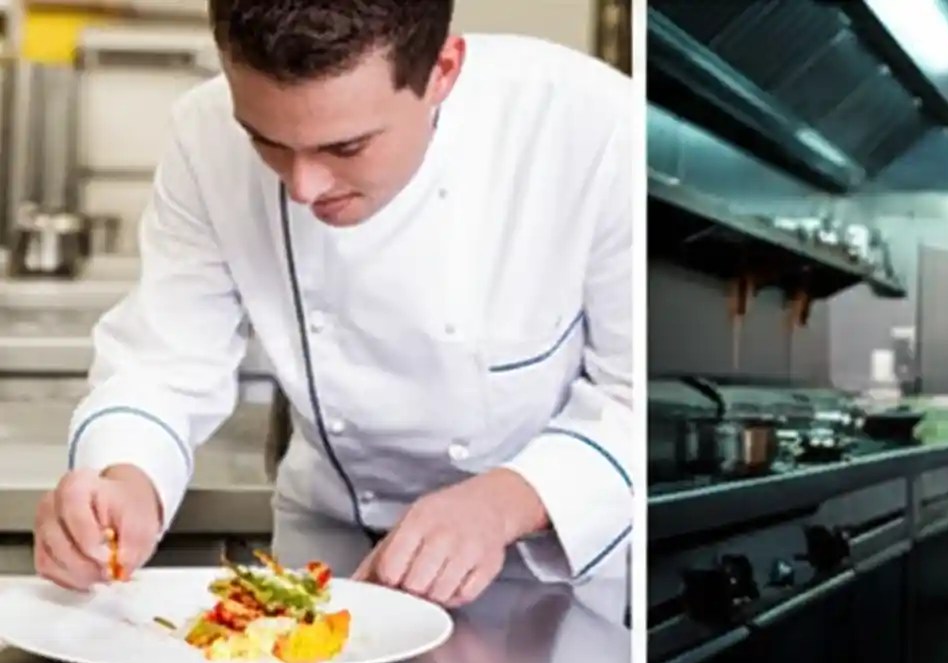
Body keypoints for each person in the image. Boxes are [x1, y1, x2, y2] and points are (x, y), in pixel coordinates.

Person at [31, 0, 633, 608]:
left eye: (346, 148)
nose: (303, 187)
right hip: (328, 562)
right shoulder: (205, 134)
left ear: (443, 71)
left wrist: (501, 503)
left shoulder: (593, 129)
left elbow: (634, 399)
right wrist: (124, 480)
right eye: (265, 140)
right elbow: (163, 364)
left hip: (544, 573)